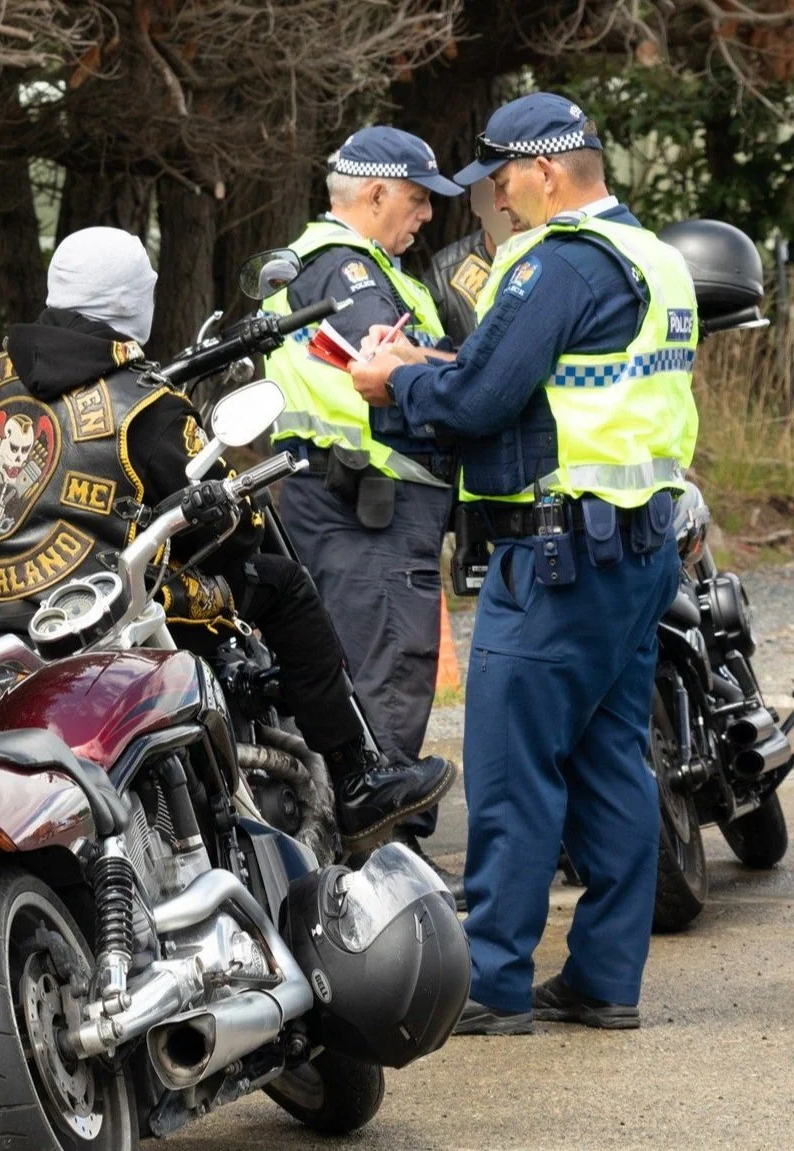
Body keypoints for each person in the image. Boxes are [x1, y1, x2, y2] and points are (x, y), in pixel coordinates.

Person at [351, 92, 697, 1037]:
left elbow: (478, 399)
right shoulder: (652, 258)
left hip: (556, 559)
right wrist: (444, 366)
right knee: (612, 765)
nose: (494, 201)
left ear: (545, 170)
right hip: (634, 548)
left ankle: (495, 980)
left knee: (511, 770)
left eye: (500, 179)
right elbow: (551, 379)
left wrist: (395, 379)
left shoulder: (555, 261)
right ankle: (603, 979)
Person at [0, 226, 453, 851]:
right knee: (284, 584)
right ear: (134, 301)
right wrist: (240, 518)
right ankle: (355, 779)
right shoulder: (144, 404)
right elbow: (236, 531)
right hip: (101, 614)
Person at [261, 125, 467, 866]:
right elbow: (393, 369)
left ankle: (353, 870)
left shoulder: (338, 266)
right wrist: (485, 371)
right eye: (416, 200)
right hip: (365, 512)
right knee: (383, 683)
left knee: (350, 678)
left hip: (349, 505)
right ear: (375, 193)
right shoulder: (347, 272)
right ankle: (384, 878)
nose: (425, 216)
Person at [421, 181, 515, 349]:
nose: (502, 203)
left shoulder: (555, 261)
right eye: (496, 190)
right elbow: (424, 358)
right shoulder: (444, 273)